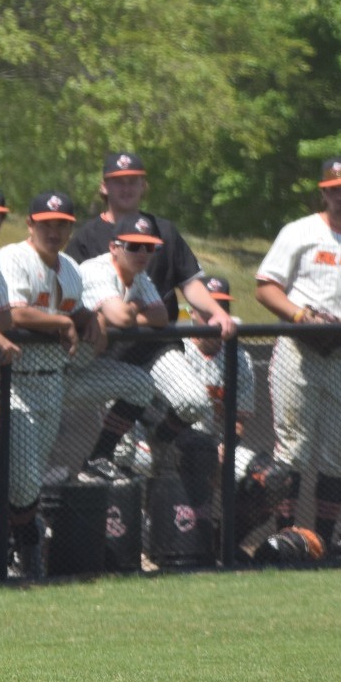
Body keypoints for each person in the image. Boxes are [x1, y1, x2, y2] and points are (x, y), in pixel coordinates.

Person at [253, 155, 341, 552]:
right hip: (299, 351)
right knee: (292, 448)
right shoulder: (299, 233)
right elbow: (265, 287)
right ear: (324, 193)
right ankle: (287, 537)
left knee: (340, 452)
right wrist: (301, 317)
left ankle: (323, 542)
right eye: (333, 190)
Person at [69, 151, 238, 470]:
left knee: (193, 403)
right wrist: (103, 317)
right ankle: (111, 493)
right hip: (108, 355)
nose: (126, 187)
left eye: (133, 180)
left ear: (144, 185)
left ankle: (162, 436)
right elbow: (69, 297)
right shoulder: (86, 239)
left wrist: (218, 312)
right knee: (123, 457)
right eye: (118, 182)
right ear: (104, 187)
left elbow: (190, 283)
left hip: (157, 349)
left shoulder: (164, 230)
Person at [0, 191, 106, 578]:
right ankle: (17, 548)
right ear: (30, 225)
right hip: (10, 381)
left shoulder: (70, 266)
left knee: (25, 481)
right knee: (21, 478)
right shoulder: (12, 258)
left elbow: (72, 307)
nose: (54, 230)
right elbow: (12, 312)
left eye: (62, 224)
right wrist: (62, 323)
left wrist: (87, 316)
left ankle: (1, 557)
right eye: (46, 223)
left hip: (51, 382)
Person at [146, 276, 259, 522]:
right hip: (167, 442)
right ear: (192, 312)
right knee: (142, 460)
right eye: (205, 311)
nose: (212, 318)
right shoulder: (174, 350)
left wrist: (226, 449)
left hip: (215, 445)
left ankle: (223, 542)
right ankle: (148, 534)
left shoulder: (239, 359)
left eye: (220, 308)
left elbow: (238, 420)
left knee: (268, 478)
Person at [71, 215, 171, 481]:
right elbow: (122, 318)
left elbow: (161, 316)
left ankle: (99, 457)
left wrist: (129, 309)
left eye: (148, 247)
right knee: (24, 468)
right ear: (114, 246)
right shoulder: (97, 269)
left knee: (141, 385)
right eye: (134, 246)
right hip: (48, 371)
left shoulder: (139, 276)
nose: (142, 253)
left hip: (81, 369)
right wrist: (134, 307)